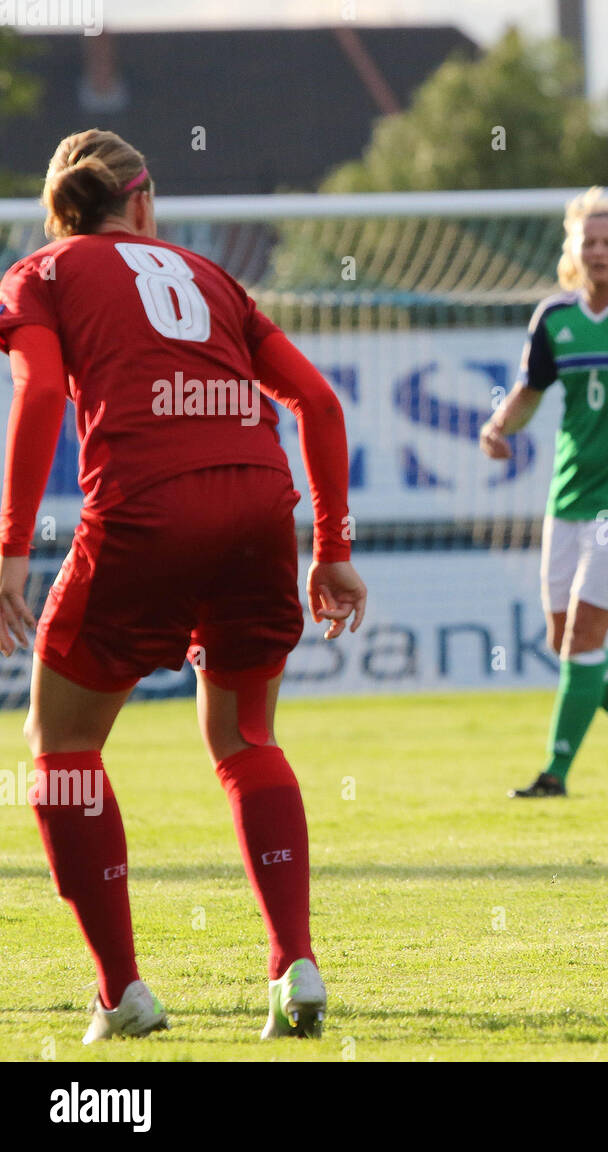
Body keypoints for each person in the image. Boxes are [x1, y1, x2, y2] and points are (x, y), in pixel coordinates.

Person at [0, 129, 367, 1041]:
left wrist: (10, 547)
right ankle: (295, 964)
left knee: (61, 749)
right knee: (246, 736)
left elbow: (41, 395)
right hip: (256, 509)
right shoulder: (209, 278)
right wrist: (333, 548)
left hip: (146, 513)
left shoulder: (39, 274)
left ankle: (122, 992)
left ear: (62, 208)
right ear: (145, 199)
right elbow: (318, 403)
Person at [480, 187, 608, 798]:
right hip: (569, 499)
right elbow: (529, 390)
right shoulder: (554, 318)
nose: (598, 251)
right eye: (587, 242)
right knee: (564, 640)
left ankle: (554, 774)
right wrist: (497, 425)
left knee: (581, 642)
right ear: (574, 250)